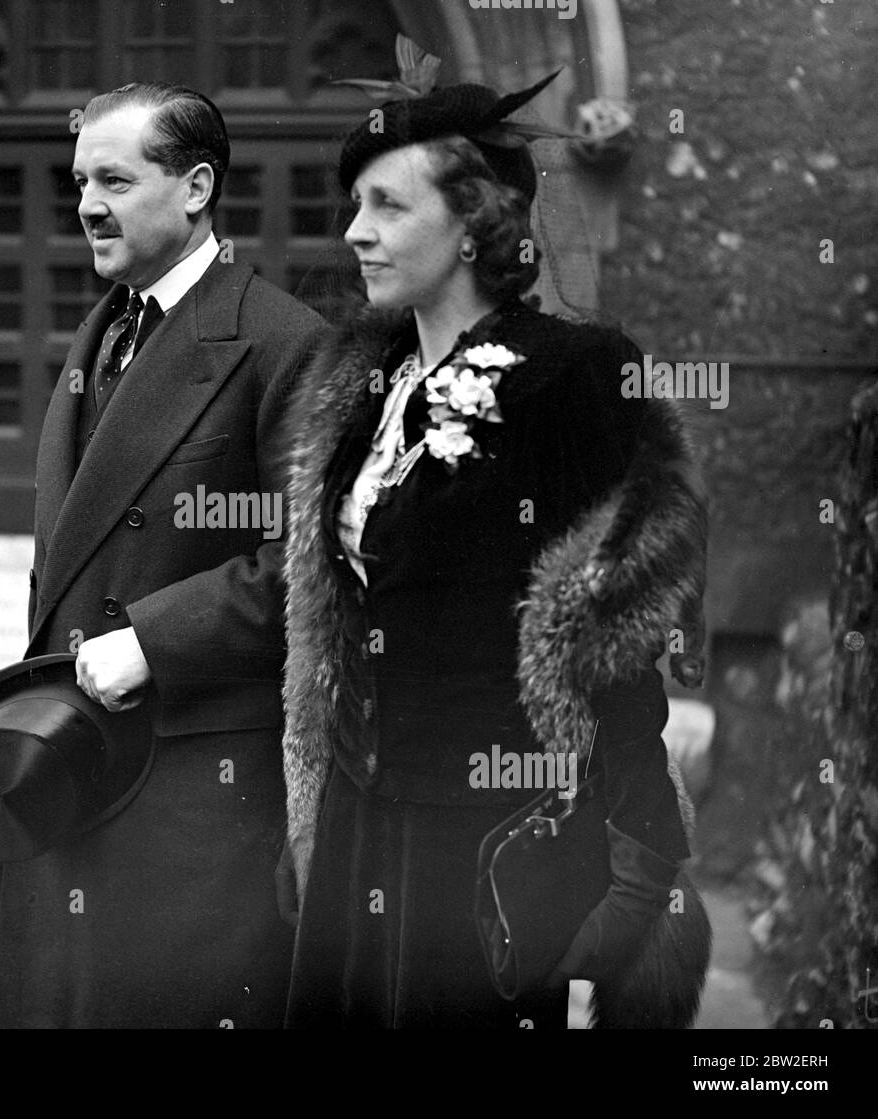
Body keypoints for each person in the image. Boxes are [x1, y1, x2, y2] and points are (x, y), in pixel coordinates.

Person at [278, 76, 711, 1028]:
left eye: (388, 205)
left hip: (491, 839)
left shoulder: (576, 375)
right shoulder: (362, 385)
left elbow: (618, 634)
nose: (355, 230)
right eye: (354, 205)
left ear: (474, 224)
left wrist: (633, 888)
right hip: (363, 821)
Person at [0, 81, 329, 1028]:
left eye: (115, 180)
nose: (85, 203)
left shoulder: (284, 342)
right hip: (63, 757)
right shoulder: (107, 328)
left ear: (197, 186)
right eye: (80, 180)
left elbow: (308, 561)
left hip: (184, 784)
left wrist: (153, 641)